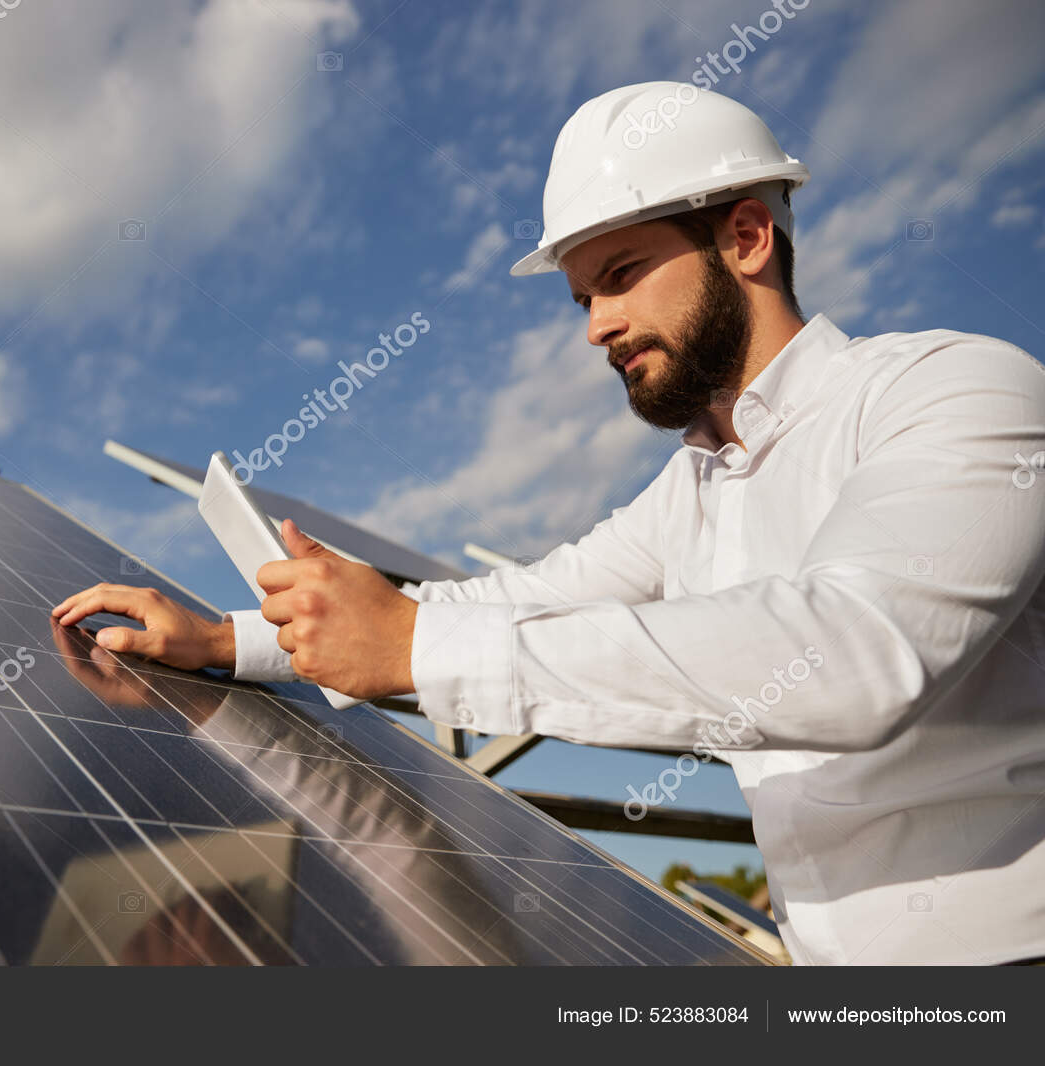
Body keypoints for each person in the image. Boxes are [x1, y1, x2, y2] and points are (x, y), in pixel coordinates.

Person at [51, 82, 1045, 966]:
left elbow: (857, 653)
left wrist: (412, 645)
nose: (595, 327)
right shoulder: (691, 492)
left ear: (746, 237)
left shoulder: (957, 389)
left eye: (621, 274)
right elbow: (513, 602)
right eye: (581, 297)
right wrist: (226, 640)